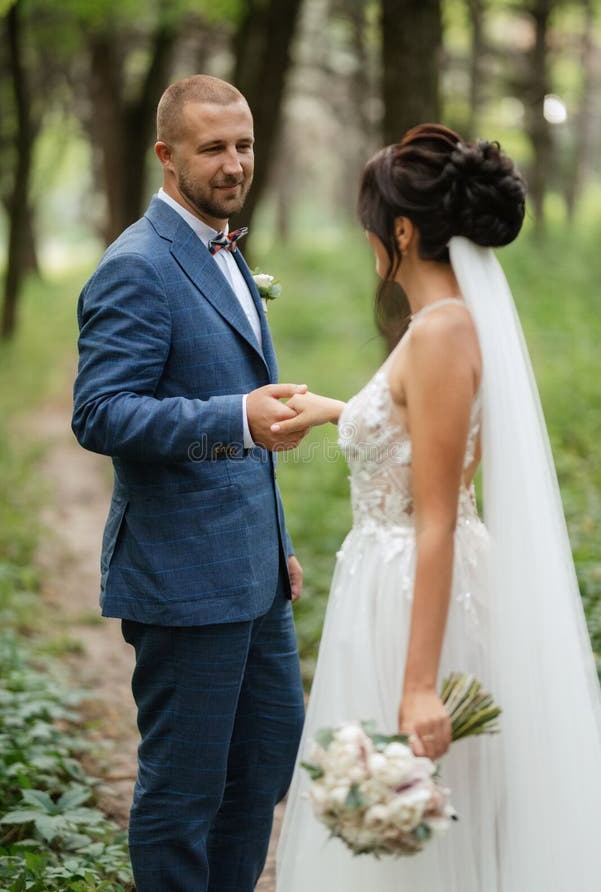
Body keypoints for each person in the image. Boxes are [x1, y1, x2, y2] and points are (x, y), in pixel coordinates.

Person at [274, 124, 601, 891]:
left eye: (367, 225)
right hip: (387, 581)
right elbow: (412, 432)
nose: (365, 240)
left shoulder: (443, 332)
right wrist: (334, 411)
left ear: (399, 230)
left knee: (419, 830)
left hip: (414, 595)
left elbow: (438, 513)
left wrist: (419, 683)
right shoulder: (440, 327)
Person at [72, 74, 307, 892]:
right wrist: (234, 417)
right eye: (213, 148)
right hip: (181, 576)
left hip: (254, 575)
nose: (234, 163)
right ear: (167, 155)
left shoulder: (225, 246)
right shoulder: (137, 265)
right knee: (185, 789)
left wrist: (278, 545)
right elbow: (100, 414)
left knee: (267, 760)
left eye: (242, 144)